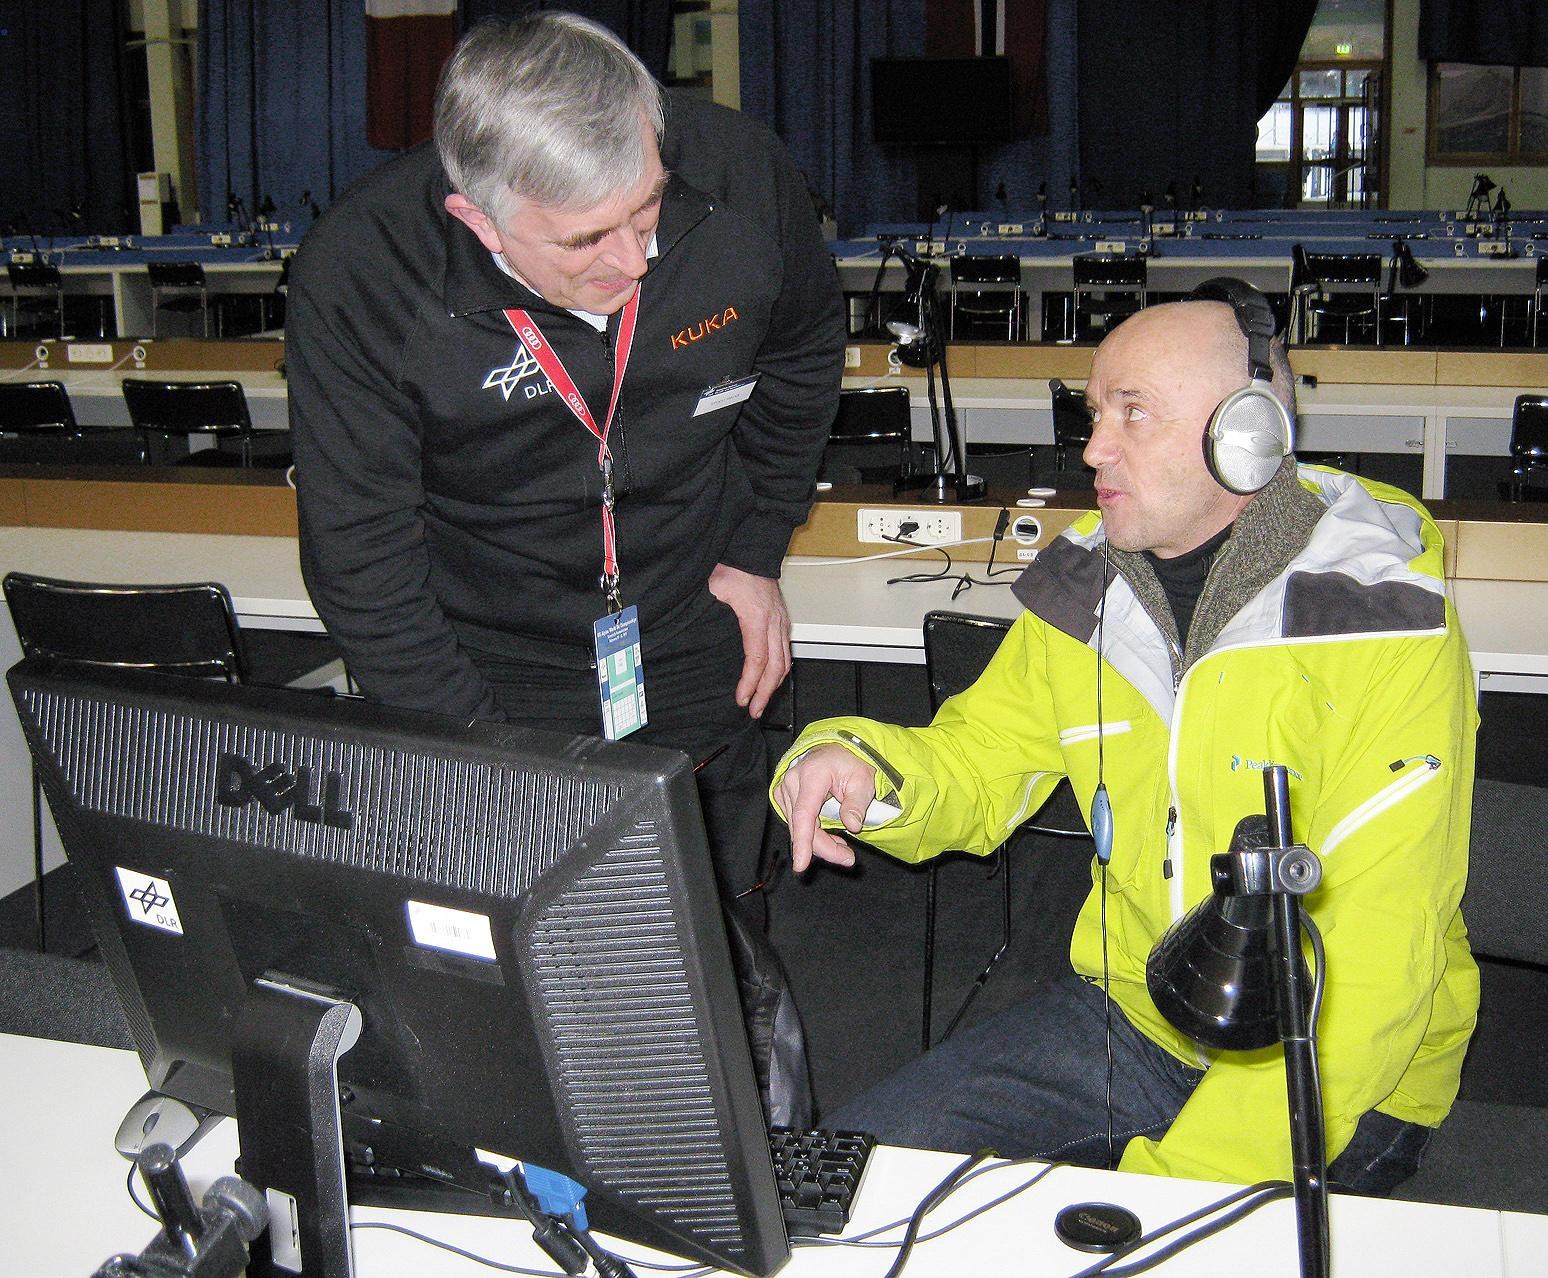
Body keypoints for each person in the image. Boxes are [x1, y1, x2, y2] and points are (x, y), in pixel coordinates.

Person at [771, 287, 1479, 1192]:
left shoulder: (1384, 620)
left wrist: (1166, 1188)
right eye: (1095, 411)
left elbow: (1376, 961)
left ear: (1248, 433)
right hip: (1138, 1017)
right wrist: (863, 767)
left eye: (1132, 413)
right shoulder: (1088, 583)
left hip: (1326, 1049)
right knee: (837, 1179)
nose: (1094, 447)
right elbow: (979, 758)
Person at [287, 13, 844, 906]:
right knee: (527, 950)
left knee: (711, 928)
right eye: (584, 240)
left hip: (690, 616)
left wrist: (756, 544)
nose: (635, 260)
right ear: (479, 220)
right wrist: (481, 755)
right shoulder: (364, 274)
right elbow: (361, 558)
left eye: (647, 207)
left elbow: (806, 348)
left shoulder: (741, 173)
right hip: (481, 654)